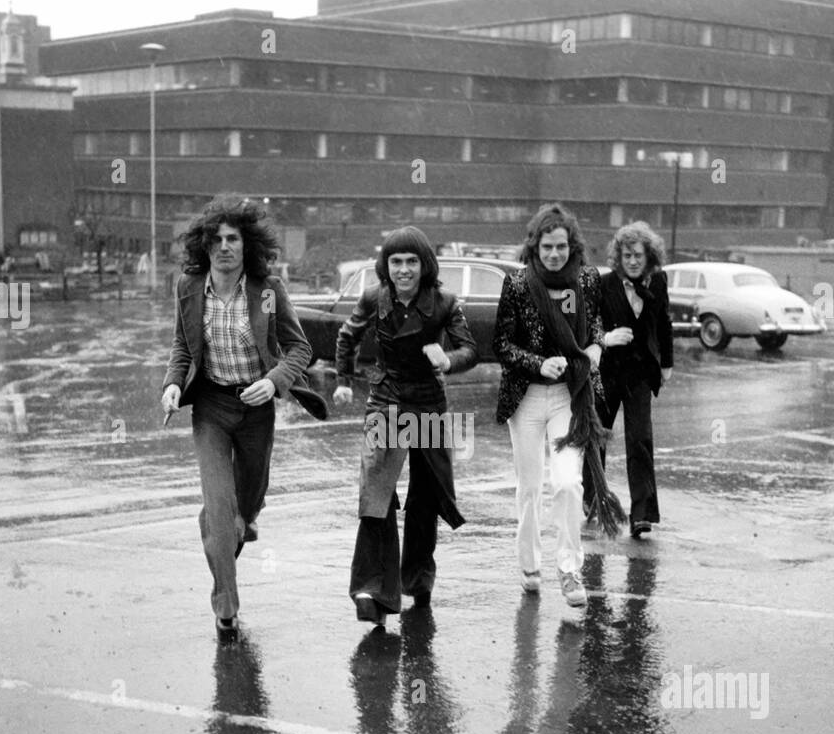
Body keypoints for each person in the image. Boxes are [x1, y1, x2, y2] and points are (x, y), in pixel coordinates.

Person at [161, 195, 312, 634]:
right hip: (210, 407)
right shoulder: (189, 288)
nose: (225, 246)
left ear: (248, 245)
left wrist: (275, 380)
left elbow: (300, 348)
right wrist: (172, 384)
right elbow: (183, 346)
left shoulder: (267, 292)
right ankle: (226, 605)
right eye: (217, 240)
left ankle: (237, 521)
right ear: (204, 247)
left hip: (256, 409)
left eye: (234, 238)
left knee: (245, 505)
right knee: (219, 507)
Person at [334, 226, 478, 627]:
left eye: (411, 261)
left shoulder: (445, 302)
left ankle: (417, 578)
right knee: (377, 495)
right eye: (396, 262)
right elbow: (347, 337)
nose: (403, 270)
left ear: (424, 265)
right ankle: (373, 591)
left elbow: (471, 350)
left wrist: (448, 360)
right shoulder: (372, 298)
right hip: (386, 400)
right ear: (386, 266)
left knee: (424, 498)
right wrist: (344, 381)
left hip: (429, 404)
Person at [493, 203, 614, 609]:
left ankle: (568, 569)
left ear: (572, 245)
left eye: (561, 246)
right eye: (546, 247)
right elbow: (502, 345)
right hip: (526, 397)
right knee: (529, 488)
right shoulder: (517, 285)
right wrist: (537, 363)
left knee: (566, 483)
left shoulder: (588, 280)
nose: (554, 254)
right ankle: (529, 565)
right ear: (535, 246)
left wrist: (595, 346)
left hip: (570, 395)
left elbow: (595, 324)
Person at [585, 222, 673, 537]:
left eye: (638, 255)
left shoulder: (659, 281)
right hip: (607, 371)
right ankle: (592, 501)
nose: (632, 261)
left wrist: (667, 363)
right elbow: (587, 326)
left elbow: (664, 322)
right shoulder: (603, 284)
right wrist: (606, 337)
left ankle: (642, 514)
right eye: (626, 255)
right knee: (598, 438)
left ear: (649, 256)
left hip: (640, 374)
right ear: (618, 257)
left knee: (640, 439)